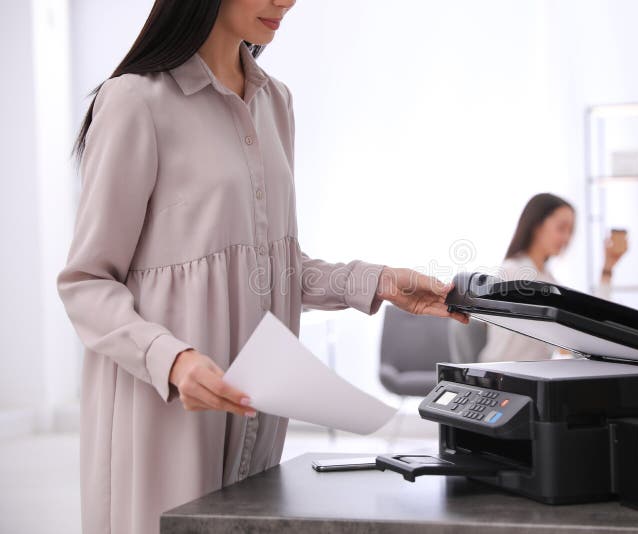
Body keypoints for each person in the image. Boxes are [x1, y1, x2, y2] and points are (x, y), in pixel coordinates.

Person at [57, 2, 467, 532]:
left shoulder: (276, 102)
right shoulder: (136, 100)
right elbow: (86, 282)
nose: (286, 1)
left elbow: (272, 263)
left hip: (254, 415)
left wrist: (379, 282)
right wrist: (174, 361)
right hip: (163, 415)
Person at [478, 193, 627, 362]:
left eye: (570, 231)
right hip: (504, 377)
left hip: (527, 374)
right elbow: (574, 336)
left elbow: (590, 323)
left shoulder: (546, 277)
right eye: (561, 228)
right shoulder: (516, 273)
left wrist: (607, 268)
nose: (566, 238)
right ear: (537, 225)